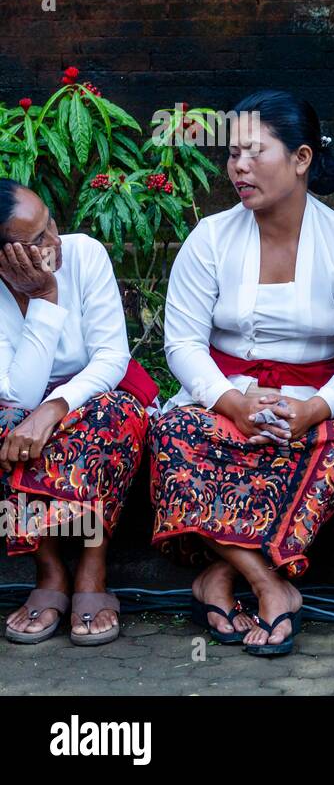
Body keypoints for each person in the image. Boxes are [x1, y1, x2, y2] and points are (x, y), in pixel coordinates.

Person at [149, 90, 334, 656]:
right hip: (222, 401)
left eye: (254, 152)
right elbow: (182, 343)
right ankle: (271, 585)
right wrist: (230, 402)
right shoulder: (210, 239)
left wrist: (315, 410)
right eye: (232, 155)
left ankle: (219, 576)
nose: (238, 167)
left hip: (308, 407)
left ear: (300, 159)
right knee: (174, 436)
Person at [0, 180, 151, 646]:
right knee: (9, 429)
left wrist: (55, 407)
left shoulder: (85, 254)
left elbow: (111, 358)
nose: (55, 242)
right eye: (36, 241)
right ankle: (48, 572)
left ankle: (91, 569)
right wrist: (44, 298)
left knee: (107, 420)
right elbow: (17, 392)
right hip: (21, 409)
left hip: (95, 395)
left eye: (51, 224)